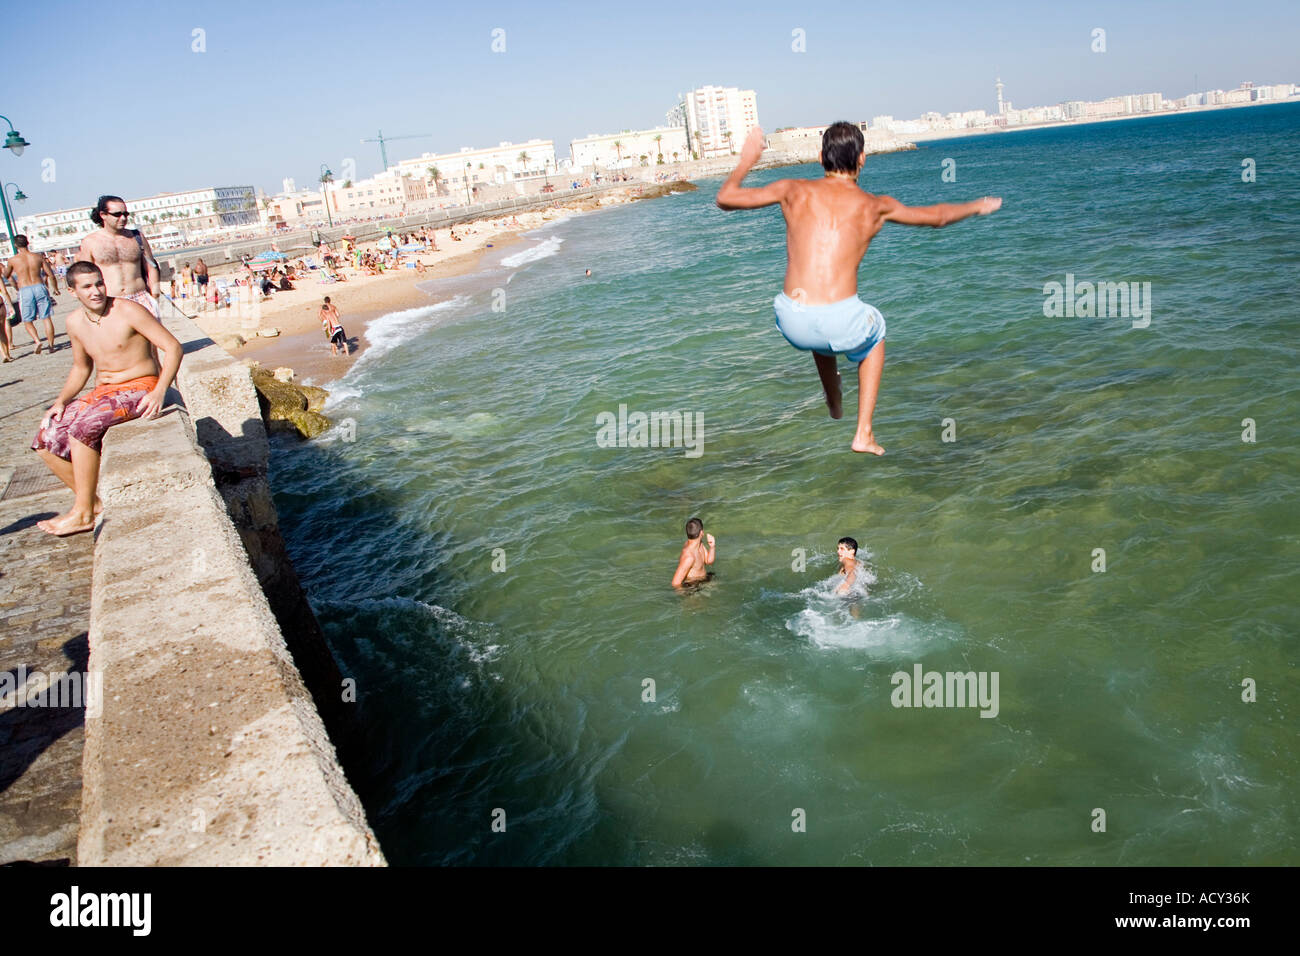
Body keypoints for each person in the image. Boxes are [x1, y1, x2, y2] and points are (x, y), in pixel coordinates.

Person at [716, 124, 1001, 455]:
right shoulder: (876, 206)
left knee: (821, 321)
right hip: (836, 321)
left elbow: (725, 198)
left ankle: (834, 402)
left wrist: (748, 159)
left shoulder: (792, 189)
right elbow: (936, 217)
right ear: (862, 159)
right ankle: (863, 431)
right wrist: (976, 206)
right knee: (874, 328)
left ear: (821, 157)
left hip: (792, 319)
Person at [30, 261, 182, 536]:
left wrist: (160, 390)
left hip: (140, 386)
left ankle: (83, 513)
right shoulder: (74, 322)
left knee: (83, 427)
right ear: (72, 291)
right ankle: (93, 503)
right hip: (104, 392)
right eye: (87, 286)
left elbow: (172, 347)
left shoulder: (128, 310)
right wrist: (61, 401)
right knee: (44, 438)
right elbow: (81, 368)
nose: (96, 291)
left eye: (99, 283)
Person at [74, 195, 161, 319]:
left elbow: (151, 267)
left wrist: (155, 296)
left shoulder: (136, 237)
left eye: (126, 214)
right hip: (111, 302)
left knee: (154, 337)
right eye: (117, 214)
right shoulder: (90, 242)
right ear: (103, 215)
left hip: (141, 298)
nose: (123, 218)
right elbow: (85, 277)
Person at [3, 235, 59, 354]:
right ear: (27, 243)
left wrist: (14, 284)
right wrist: (56, 289)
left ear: (15, 245)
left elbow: (6, 275)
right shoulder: (38, 257)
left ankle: (37, 341)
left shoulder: (13, 260)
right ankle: (51, 346)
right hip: (39, 287)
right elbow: (51, 274)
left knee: (27, 320)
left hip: (24, 289)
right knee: (46, 317)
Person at [671, 516, 716, 588]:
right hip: (693, 586)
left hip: (703, 579)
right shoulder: (689, 557)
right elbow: (675, 583)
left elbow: (708, 561)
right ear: (701, 533)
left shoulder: (700, 544)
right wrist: (687, 593)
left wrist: (712, 547)